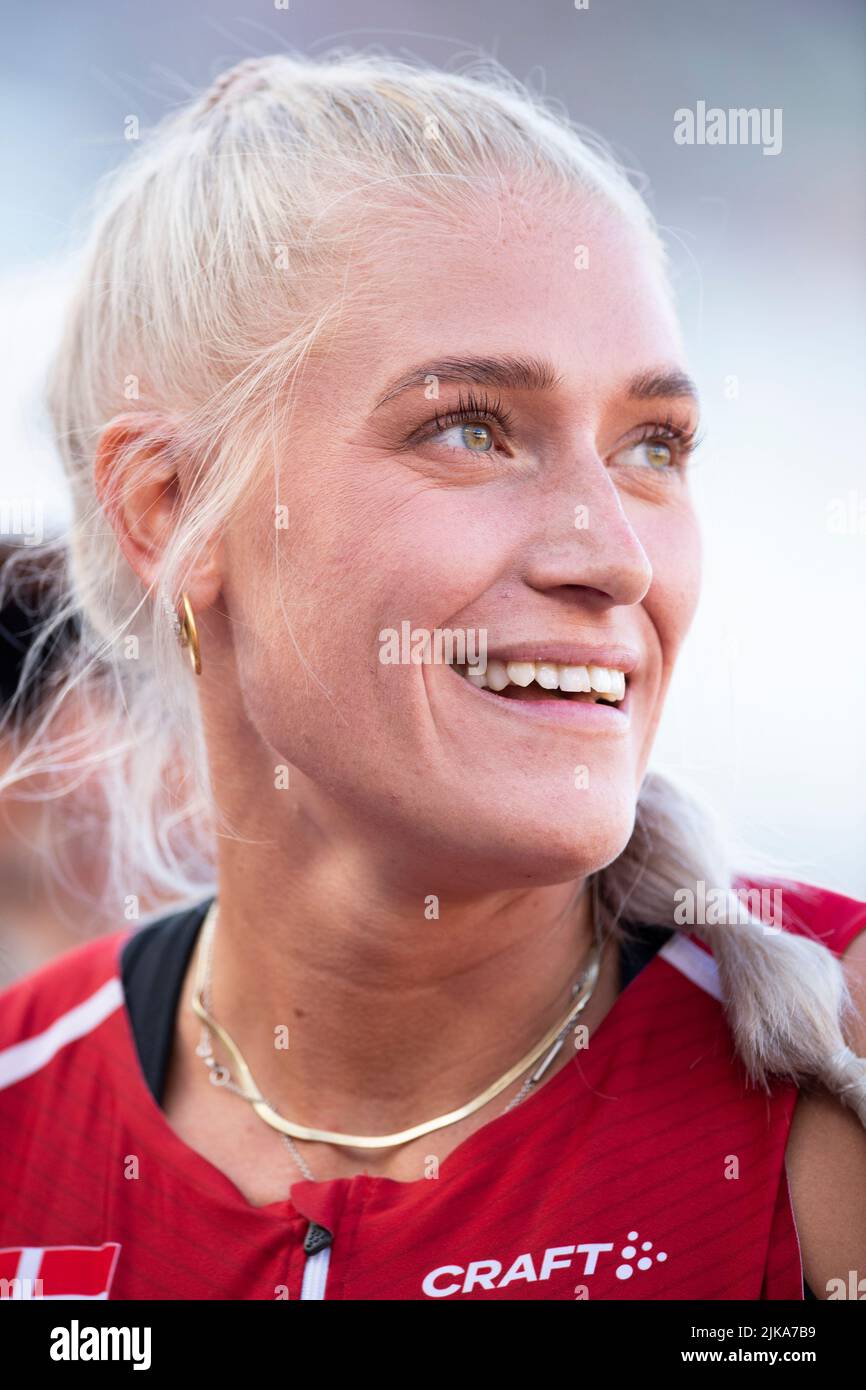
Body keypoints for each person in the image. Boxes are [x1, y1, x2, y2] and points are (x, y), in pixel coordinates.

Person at [0, 51, 863, 1303]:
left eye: (651, 445)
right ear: (172, 509)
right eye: (470, 427)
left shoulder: (823, 1081)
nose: (613, 557)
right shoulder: (26, 1123)